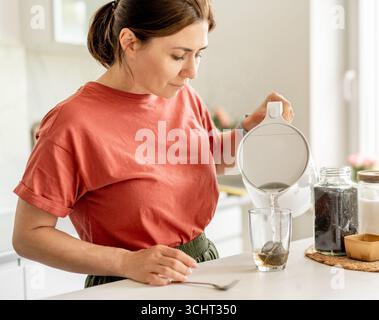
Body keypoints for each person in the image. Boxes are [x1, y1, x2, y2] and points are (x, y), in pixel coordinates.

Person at [12, 0, 294, 288]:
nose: (192, 71)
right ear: (130, 42)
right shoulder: (71, 123)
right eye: (178, 56)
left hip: (203, 269)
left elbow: (211, 159)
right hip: (125, 284)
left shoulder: (183, 96)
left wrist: (250, 130)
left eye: (199, 54)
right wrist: (125, 261)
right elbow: (28, 236)